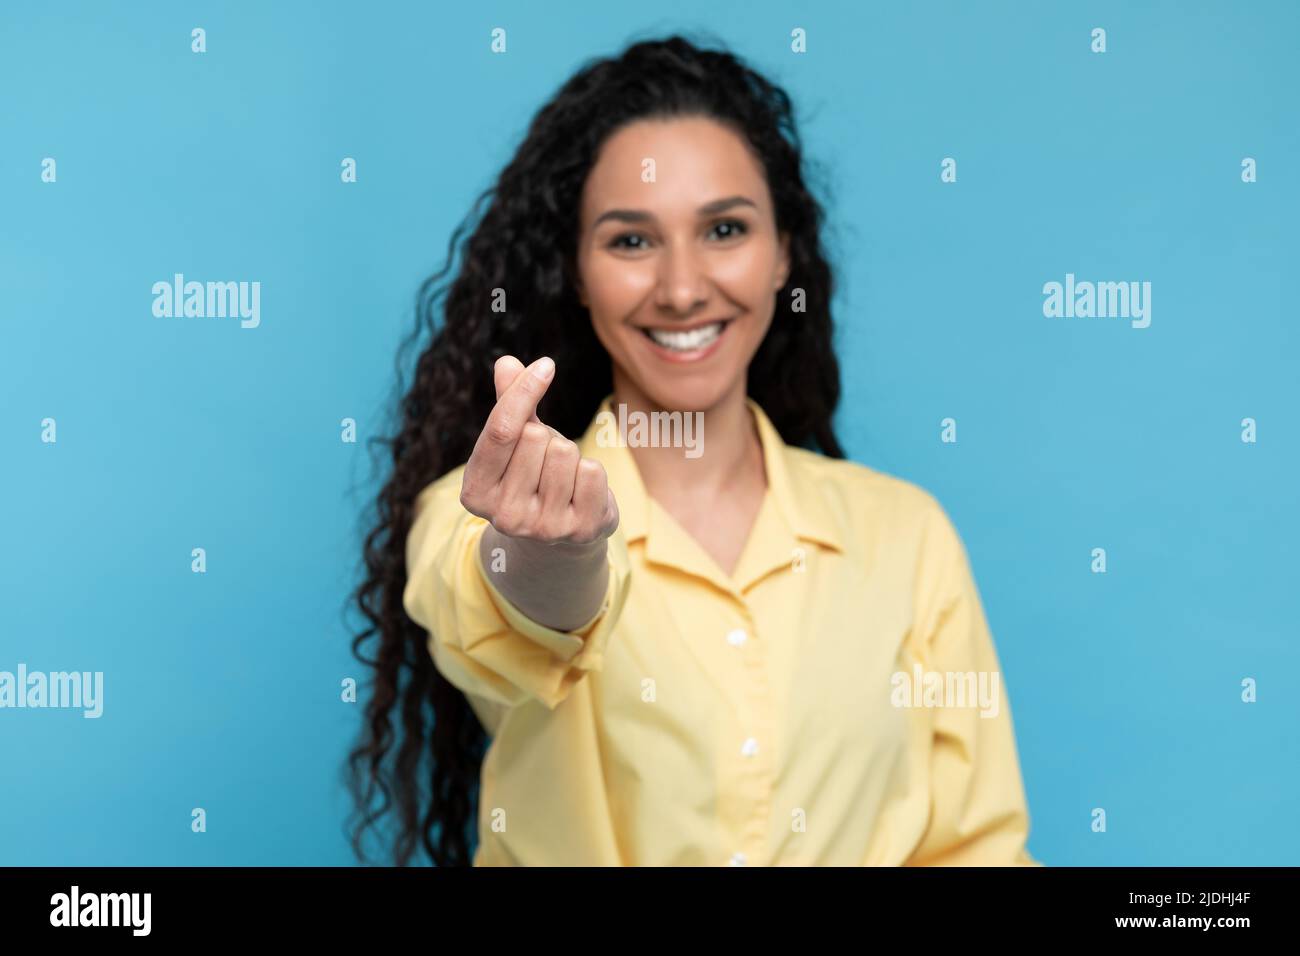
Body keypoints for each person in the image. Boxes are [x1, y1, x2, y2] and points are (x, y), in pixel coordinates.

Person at [347, 33, 1039, 867]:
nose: (681, 289)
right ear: (574, 271)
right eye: (630, 241)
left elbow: (975, 850)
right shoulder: (479, 514)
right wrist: (553, 558)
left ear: (784, 252)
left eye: (724, 229)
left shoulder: (907, 538)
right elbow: (492, 611)